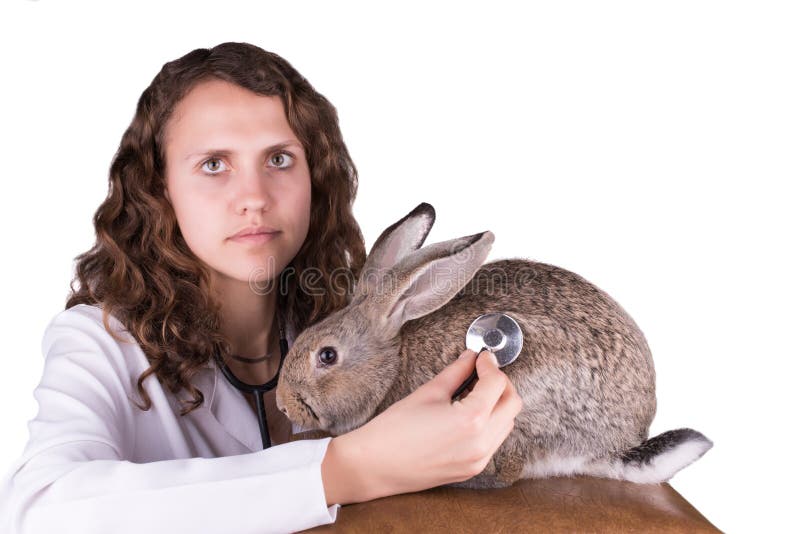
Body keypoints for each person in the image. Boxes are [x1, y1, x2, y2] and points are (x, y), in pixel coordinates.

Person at [0, 42, 523, 533]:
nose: (254, 196)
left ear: (314, 178)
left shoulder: (349, 330)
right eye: (213, 164)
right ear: (160, 189)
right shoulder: (98, 343)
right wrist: (343, 470)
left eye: (278, 159)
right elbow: (41, 511)